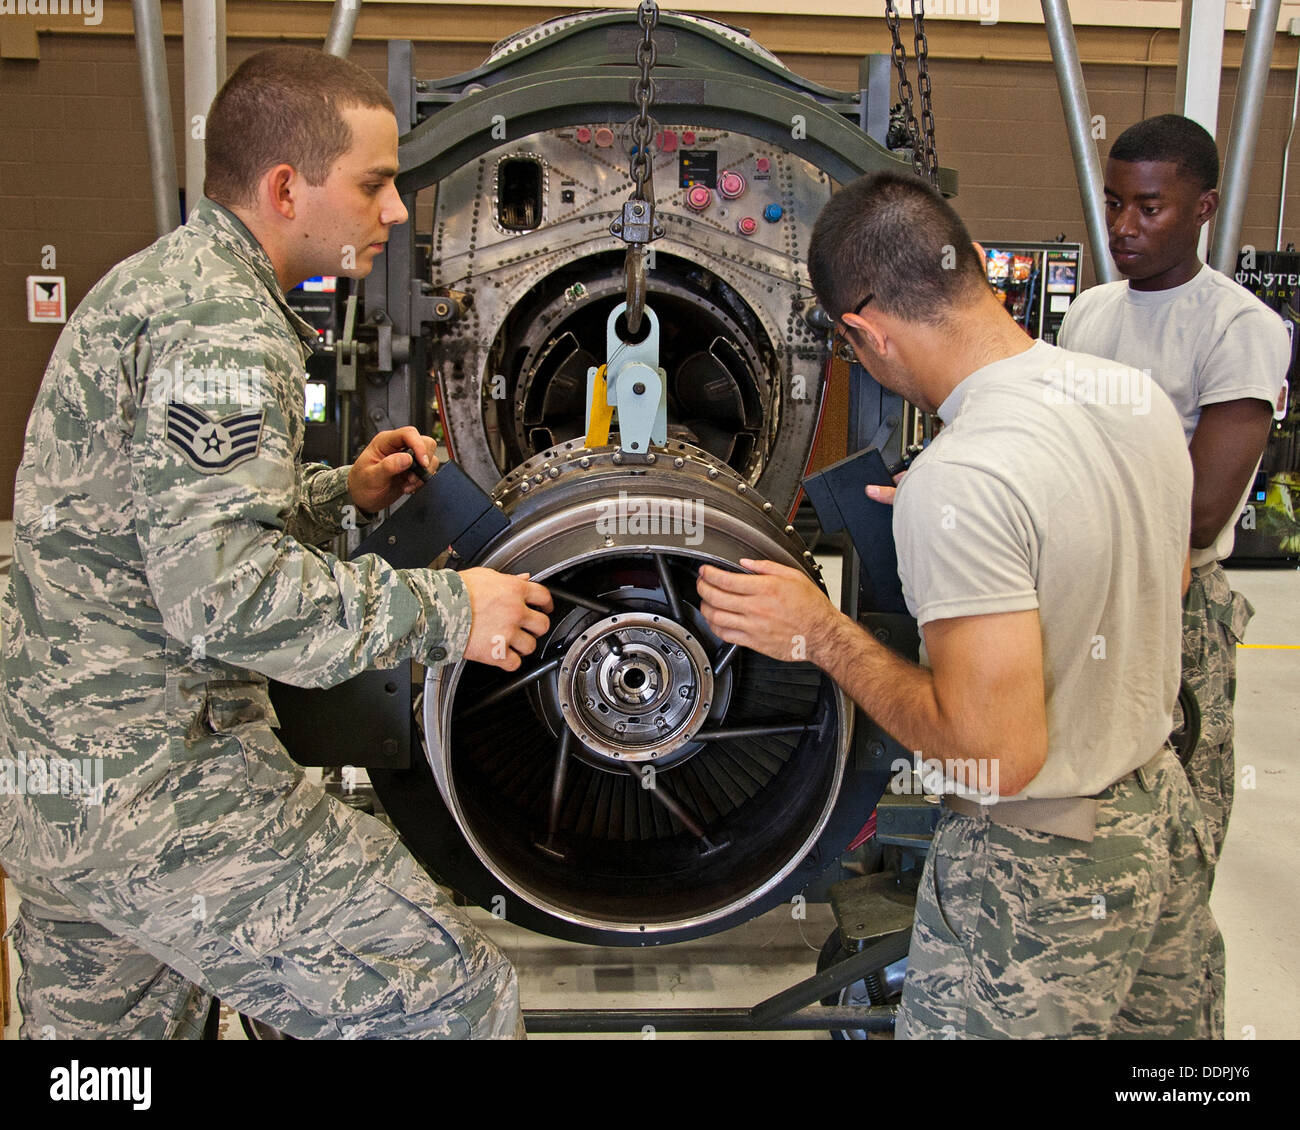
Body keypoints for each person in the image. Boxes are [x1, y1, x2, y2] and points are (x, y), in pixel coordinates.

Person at [0, 47, 552, 1039]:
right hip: (166, 793)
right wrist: (451, 611)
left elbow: (152, 525)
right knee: (450, 996)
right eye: (376, 184)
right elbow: (218, 593)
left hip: (61, 791)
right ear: (287, 187)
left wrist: (339, 491)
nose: (392, 213)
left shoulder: (161, 282)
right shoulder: (224, 326)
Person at [696, 170, 1223, 1038]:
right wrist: (987, 546)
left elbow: (996, 759)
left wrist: (824, 635)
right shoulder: (1131, 402)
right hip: (1158, 829)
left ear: (863, 333)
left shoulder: (965, 477)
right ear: (975, 264)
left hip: (1041, 876)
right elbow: (1161, 583)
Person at [1058, 113, 1290, 861]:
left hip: (1177, 607)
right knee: (1092, 813)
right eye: (1115, 201)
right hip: (1087, 589)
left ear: (1204, 208)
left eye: (1148, 207)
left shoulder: (1236, 328)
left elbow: (1197, 513)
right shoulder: (1092, 312)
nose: (1123, 226)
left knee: (1181, 819)